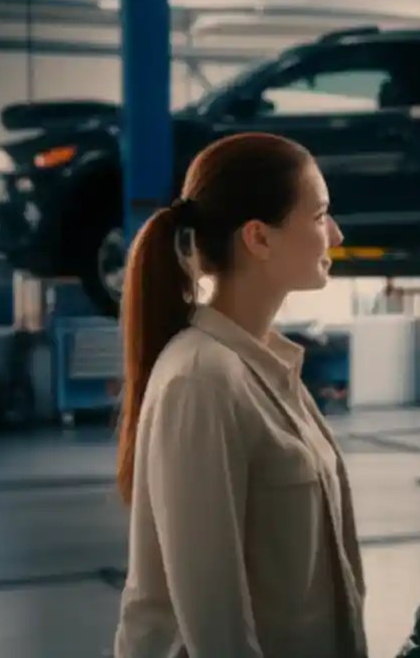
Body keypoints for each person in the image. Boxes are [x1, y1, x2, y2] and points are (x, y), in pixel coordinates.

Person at [112, 132, 367, 657]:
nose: (336, 235)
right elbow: (216, 624)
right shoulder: (201, 382)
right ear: (259, 238)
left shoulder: (269, 371)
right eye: (320, 216)